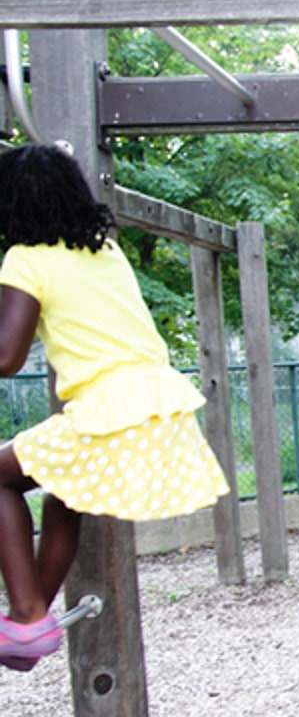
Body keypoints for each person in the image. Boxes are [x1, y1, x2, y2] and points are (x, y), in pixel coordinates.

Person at [0, 143, 229, 668]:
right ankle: (28, 628)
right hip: (155, 405)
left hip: (111, 407)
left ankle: (28, 614)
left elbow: (7, 356)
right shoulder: (104, 250)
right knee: (65, 498)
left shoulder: (24, 259)